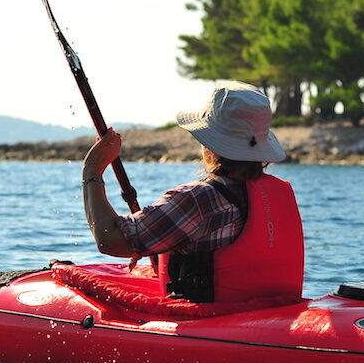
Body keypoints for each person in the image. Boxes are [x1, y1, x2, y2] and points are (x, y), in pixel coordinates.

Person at [81, 81, 305, 303]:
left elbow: (109, 240)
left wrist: (92, 171)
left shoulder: (199, 199)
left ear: (210, 148)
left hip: (213, 323)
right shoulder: (281, 192)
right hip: (271, 317)